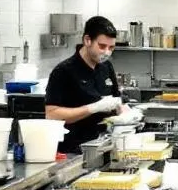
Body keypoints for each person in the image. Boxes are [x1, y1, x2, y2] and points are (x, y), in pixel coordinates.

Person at [44, 16, 124, 153]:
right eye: (102, 46)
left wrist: (126, 113)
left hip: (102, 145)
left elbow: (117, 102)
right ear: (87, 40)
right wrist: (93, 108)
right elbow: (52, 114)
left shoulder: (106, 67)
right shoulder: (64, 71)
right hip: (73, 150)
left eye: (111, 48)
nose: (107, 52)